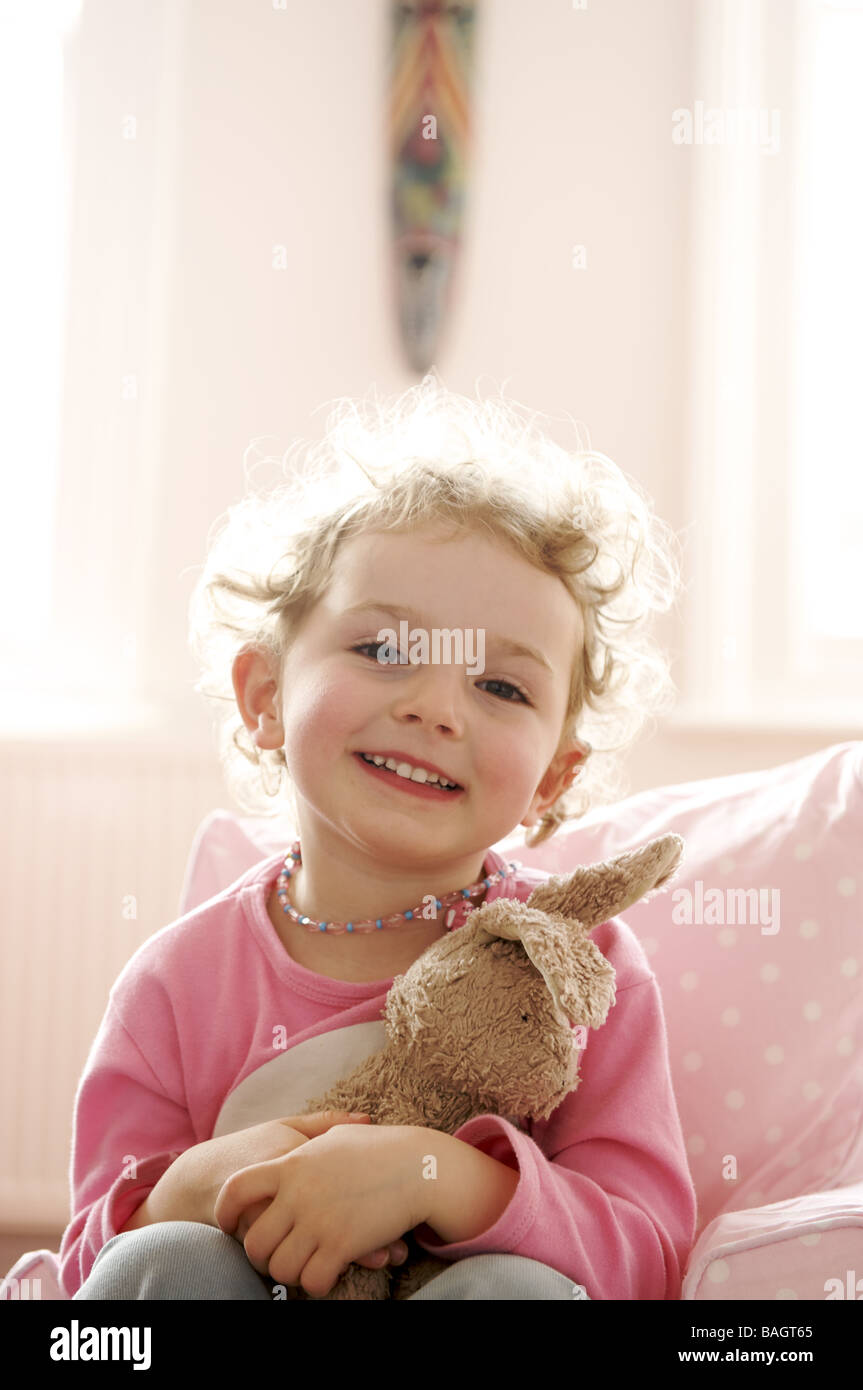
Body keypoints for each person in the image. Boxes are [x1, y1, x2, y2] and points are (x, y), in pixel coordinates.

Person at [64, 371, 695, 1300]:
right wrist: (190, 1190)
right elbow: (89, 1276)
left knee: (518, 1294)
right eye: (385, 650)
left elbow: (643, 1256)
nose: (436, 707)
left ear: (552, 777)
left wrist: (437, 1176)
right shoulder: (174, 987)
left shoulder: (580, 968)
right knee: (161, 1261)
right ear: (267, 696)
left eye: (502, 687)